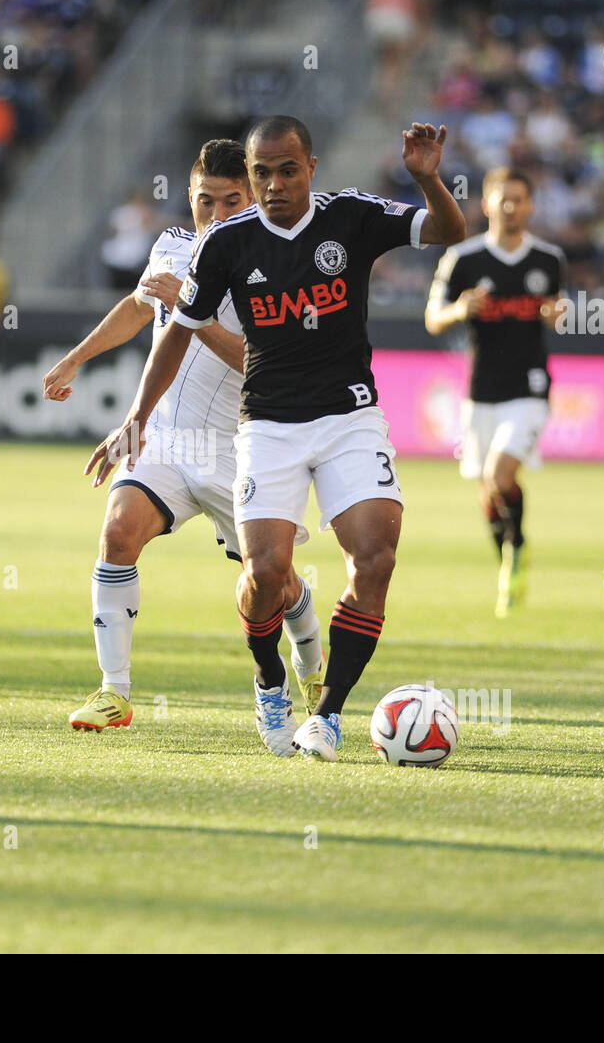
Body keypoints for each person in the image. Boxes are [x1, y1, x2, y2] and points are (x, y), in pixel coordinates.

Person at [87, 115, 465, 761]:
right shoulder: (227, 243)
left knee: (374, 559)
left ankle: (328, 713)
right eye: (262, 172)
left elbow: (448, 231)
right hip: (266, 425)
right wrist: (138, 417)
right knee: (266, 574)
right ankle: (268, 680)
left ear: (311, 168)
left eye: (288, 170)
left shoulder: (350, 216)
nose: (274, 184)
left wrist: (429, 181)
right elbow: (176, 328)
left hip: (350, 415)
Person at [44, 139, 324, 745]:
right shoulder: (172, 246)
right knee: (118, 531)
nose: (218, 216)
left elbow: (265, 363)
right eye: (206, 202)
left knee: (273, 581)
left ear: (252, 197)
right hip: (167, 437)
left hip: (239, 448)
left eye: (232, 202)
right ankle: (114, 691)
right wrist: (75, 359)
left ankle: (310, 661)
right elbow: (139, 307)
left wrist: (192, 310)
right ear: (190, 198)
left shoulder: (275, 267)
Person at [424, 168, 565, 617]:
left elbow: (559, 314)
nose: (511, 207)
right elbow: (433, 318)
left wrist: (557, 315)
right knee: (489, 489)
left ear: (530, 206)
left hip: (530, 386)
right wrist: (460, 310)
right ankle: (508, 559)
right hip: (481, 390)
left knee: (502, 475)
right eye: (502, 199)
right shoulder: (464, 259)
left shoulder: (547, 259)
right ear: (486, 204)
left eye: (519, 199)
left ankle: (517, 548)